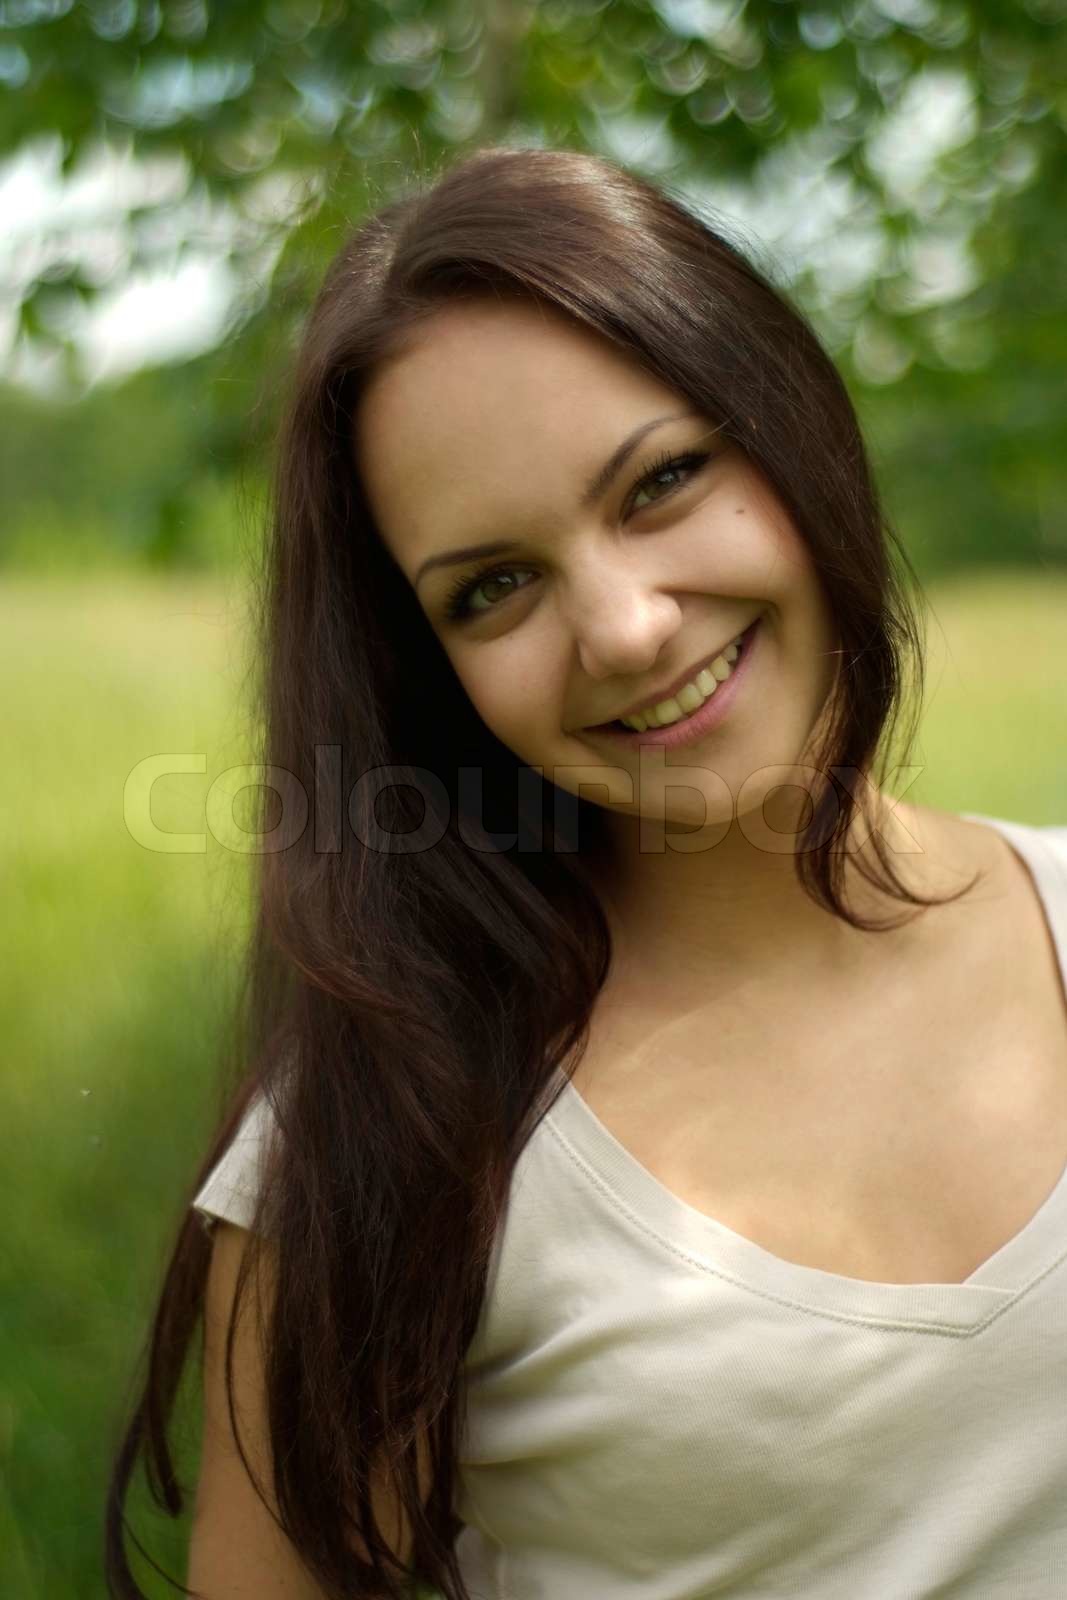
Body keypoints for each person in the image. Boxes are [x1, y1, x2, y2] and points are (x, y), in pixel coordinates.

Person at [105, 146, 1067, 1600]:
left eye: (664, 480)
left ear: (793, 421)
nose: (622, 628)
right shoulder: (395, 1132)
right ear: (429, 677)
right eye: (493, 587)